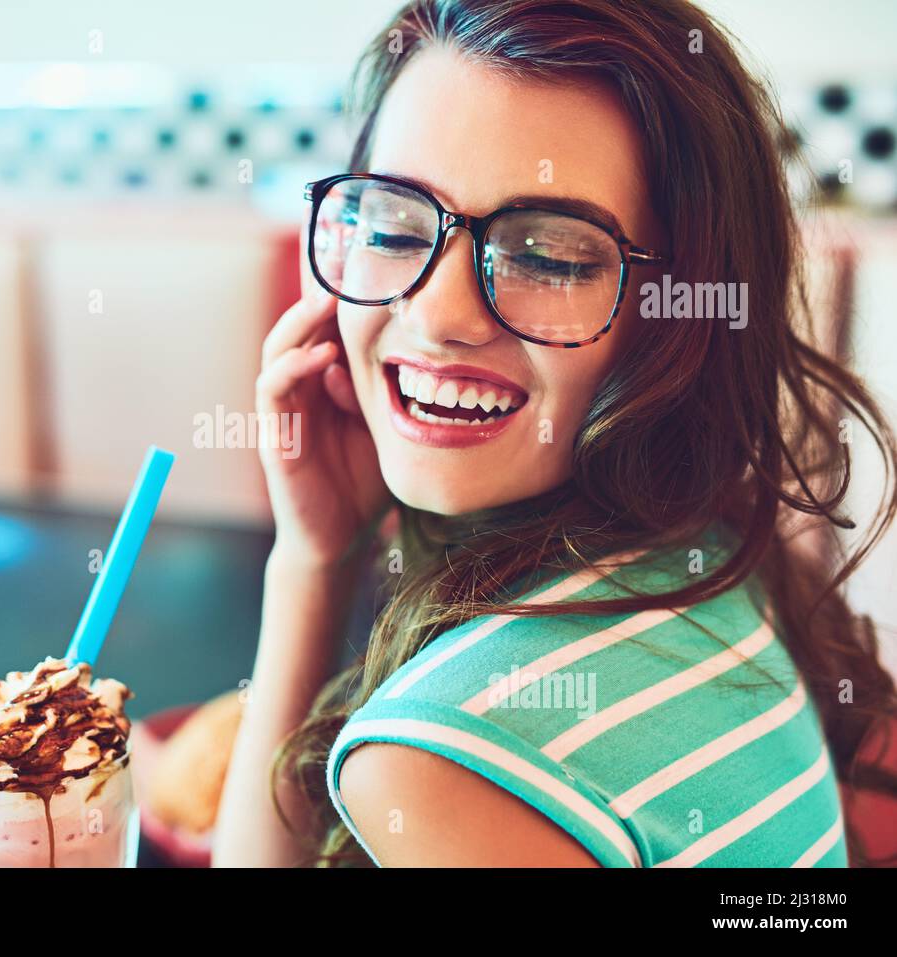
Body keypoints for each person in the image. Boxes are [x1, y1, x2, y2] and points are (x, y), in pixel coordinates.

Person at [213, 0, 897, 867]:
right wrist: (314, 555)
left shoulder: (444, 759)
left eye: (551, 256)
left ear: (676, 320)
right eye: (392, 224)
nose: (438, 316)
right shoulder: (712, 561)